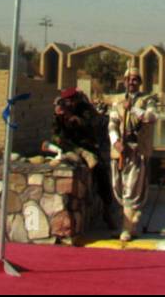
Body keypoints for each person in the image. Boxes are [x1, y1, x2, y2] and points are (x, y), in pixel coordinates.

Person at [44, 86, 116, 228]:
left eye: (71, 100)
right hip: (69, 145)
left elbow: (94, 124)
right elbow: (55, 134)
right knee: (57, 144)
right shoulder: (61, 110)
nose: (69, 104)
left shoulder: (85, 109)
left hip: (87, 144)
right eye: (67, 101)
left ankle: (107, 209)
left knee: (100, 169)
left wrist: (76, 120)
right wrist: (59, 117)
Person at [107, 66, 158, 241]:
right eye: (129, 80)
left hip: (137, 150)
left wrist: (134, 109)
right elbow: (112, 123)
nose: (131, 83)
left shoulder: (147, 100)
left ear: (140, 82)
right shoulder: (117, 101)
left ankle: (127, 228)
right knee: (118, 188)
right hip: (120, 151)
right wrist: (115, 141)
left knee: (131, 189)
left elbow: (151, 118)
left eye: (135, 79)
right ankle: (129, 223)